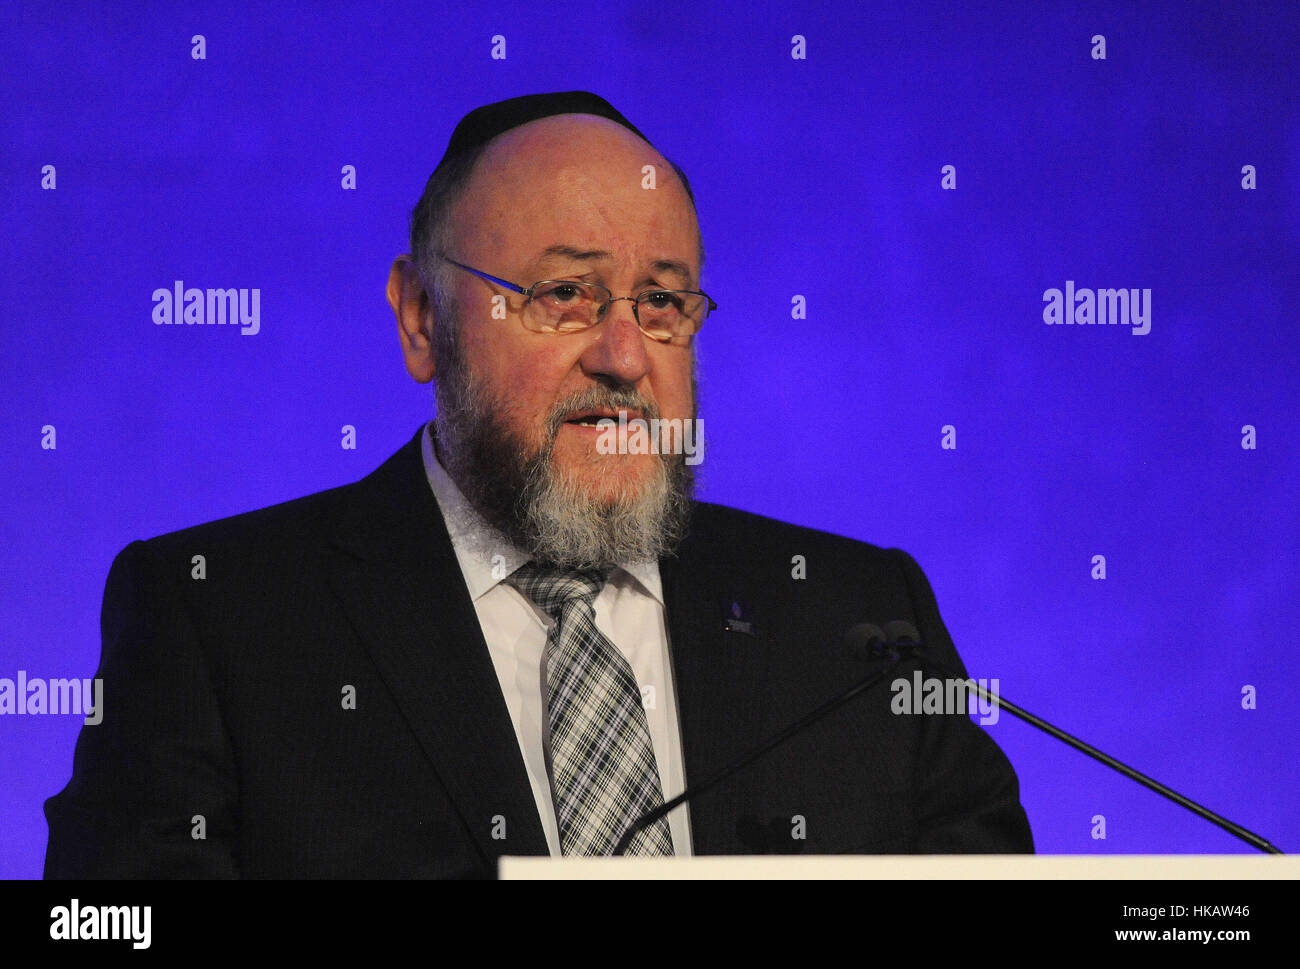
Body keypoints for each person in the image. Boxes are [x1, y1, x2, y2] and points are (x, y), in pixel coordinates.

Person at [44, 91, 1032, 878]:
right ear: (422, 319)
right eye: (565, 295)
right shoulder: (219, 615)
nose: (624, 355)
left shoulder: (860, 622)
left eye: (662, 303)